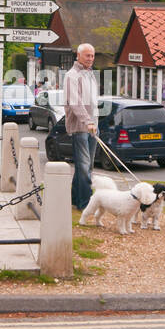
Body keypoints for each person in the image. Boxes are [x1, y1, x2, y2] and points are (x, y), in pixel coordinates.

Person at [64, 43, 100, 210]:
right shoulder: (72, 75)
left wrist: (95, 122)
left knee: (86, 166)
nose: (91, 59)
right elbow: (75, 103)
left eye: (92, 56)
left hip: (93, 126)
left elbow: (92, 102)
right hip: (80, 127)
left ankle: (74, 199)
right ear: (78, 56)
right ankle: (85, 204)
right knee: (84, 167)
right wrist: (88, 122)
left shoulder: (91, 74)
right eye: (87, 55)